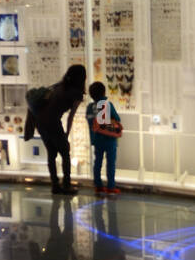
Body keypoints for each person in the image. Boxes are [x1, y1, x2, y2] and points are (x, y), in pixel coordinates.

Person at [24, 64, 86, 195]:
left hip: (40, 122)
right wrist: (66, 135)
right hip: (52, 123)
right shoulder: (77, 94)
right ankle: (67, 185)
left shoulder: (58, 86)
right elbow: (70, 117)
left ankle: (55, 185)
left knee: (51, 154)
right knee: (65, 153)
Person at [85, 80, 122, 196]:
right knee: (111, 163)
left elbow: (90, 121)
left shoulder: (90, 107)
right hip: (109, 140)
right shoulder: (107, 105)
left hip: (97, 139)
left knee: (98, 162)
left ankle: (98, 186)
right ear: (104, 92)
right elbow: (117, 119)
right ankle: (111, 187)